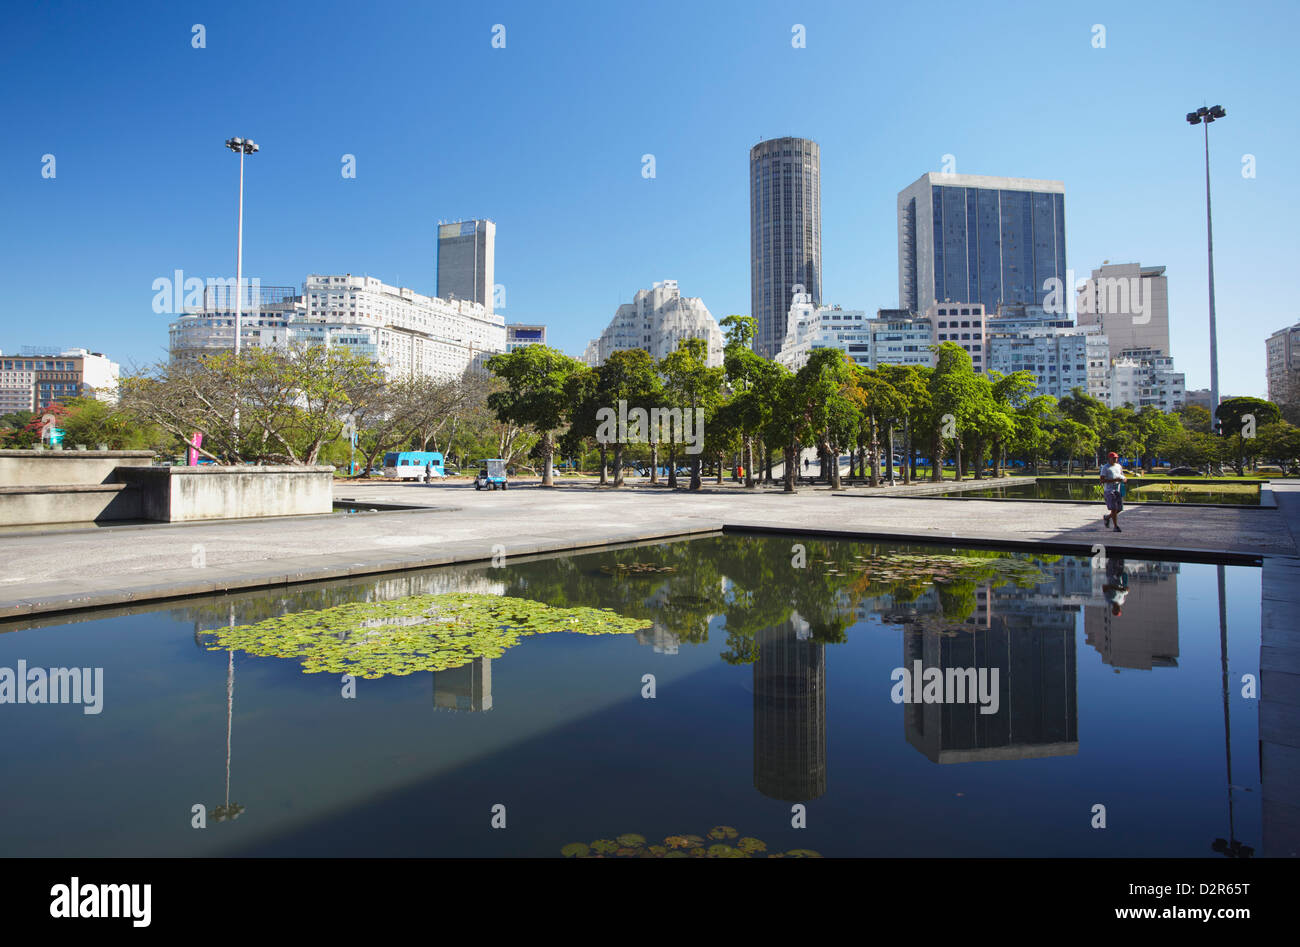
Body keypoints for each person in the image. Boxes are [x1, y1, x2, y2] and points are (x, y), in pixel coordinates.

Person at [1100, 451, 1131, 532]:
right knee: (1114, 508)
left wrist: (1124, 479)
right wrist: (1114, 480)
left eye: (1116, 458)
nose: (1115, 459)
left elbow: (1123, 475)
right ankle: (1115, 527)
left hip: (1118, 489)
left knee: (1119, 508)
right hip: (1109, 490)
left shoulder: (1119, 466)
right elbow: (1102, 480)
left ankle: (1107, 517)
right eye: (1113, 458)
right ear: (1109, 458)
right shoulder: (1105, 468)